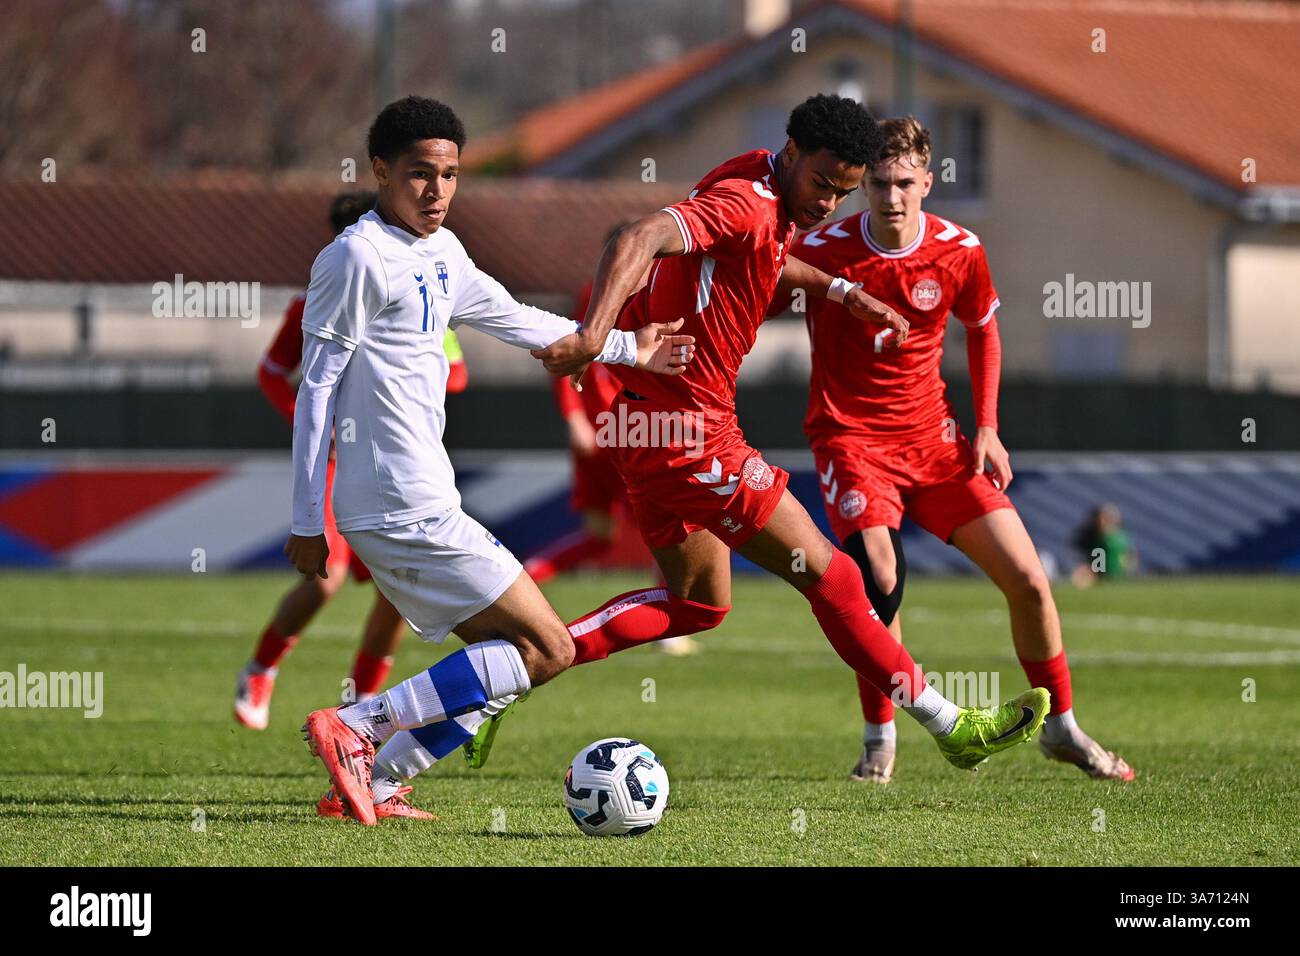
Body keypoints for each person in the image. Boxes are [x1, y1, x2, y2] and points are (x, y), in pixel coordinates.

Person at [286, 96, 694, 824]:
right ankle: (358, 724)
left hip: (416, 498)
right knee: (552, 645)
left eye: (448, 175)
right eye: (418, 174)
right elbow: (315, 388)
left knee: (518, 663)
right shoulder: (355, 255)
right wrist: (306, 518)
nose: (436, 190)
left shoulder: (443, 251)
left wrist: (632, 347)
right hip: (397, 500)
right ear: (380, 170)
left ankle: (376, 781)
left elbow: (522, 321)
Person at [781, 116, 1133, 783]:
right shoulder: (822, 249)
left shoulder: (959, 248)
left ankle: (1061, 728)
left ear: (927, 182)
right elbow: (753, 287)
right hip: (851, 439)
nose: (891, 197)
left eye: (904, 183)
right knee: (879, 580)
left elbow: (983, 332)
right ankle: (879, 738)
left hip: (937, 443)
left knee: (1029, 582)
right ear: (864, 187)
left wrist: (989, 426)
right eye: (879, 184)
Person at [234, 191, 469, 731]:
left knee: (399, 591)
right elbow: (273, 371)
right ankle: (260, 668)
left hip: (397, 459)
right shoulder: (315, 300)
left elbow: (457, 375)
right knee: (323, 579)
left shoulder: (422, 295)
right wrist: (310, 421)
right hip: (341, 461)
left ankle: (361, 709)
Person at [1072, 503, 1137, 587]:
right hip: (1100, 577)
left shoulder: (1121, 536)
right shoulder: (1093, 537)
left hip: (1119, 576)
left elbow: (1130, 554)